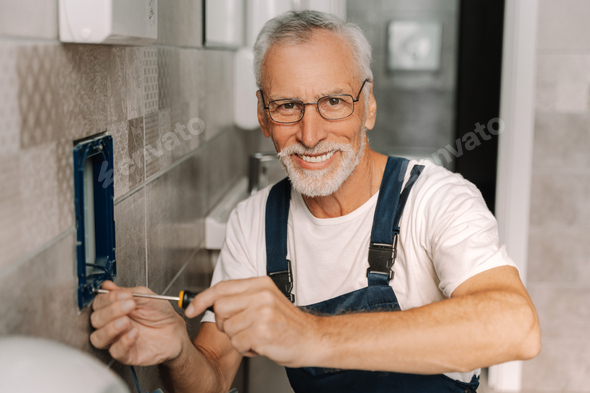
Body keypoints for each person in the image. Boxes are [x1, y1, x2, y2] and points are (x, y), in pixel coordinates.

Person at [90, 10, 541, 393]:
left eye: (333, 101)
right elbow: (212, 376)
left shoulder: (435, 199)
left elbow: (516, 326)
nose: (310, 134)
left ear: (368, 108)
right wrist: (177, 350)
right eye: (288, 106)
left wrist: (310, 334)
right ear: (264, 117)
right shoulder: (255, 222)